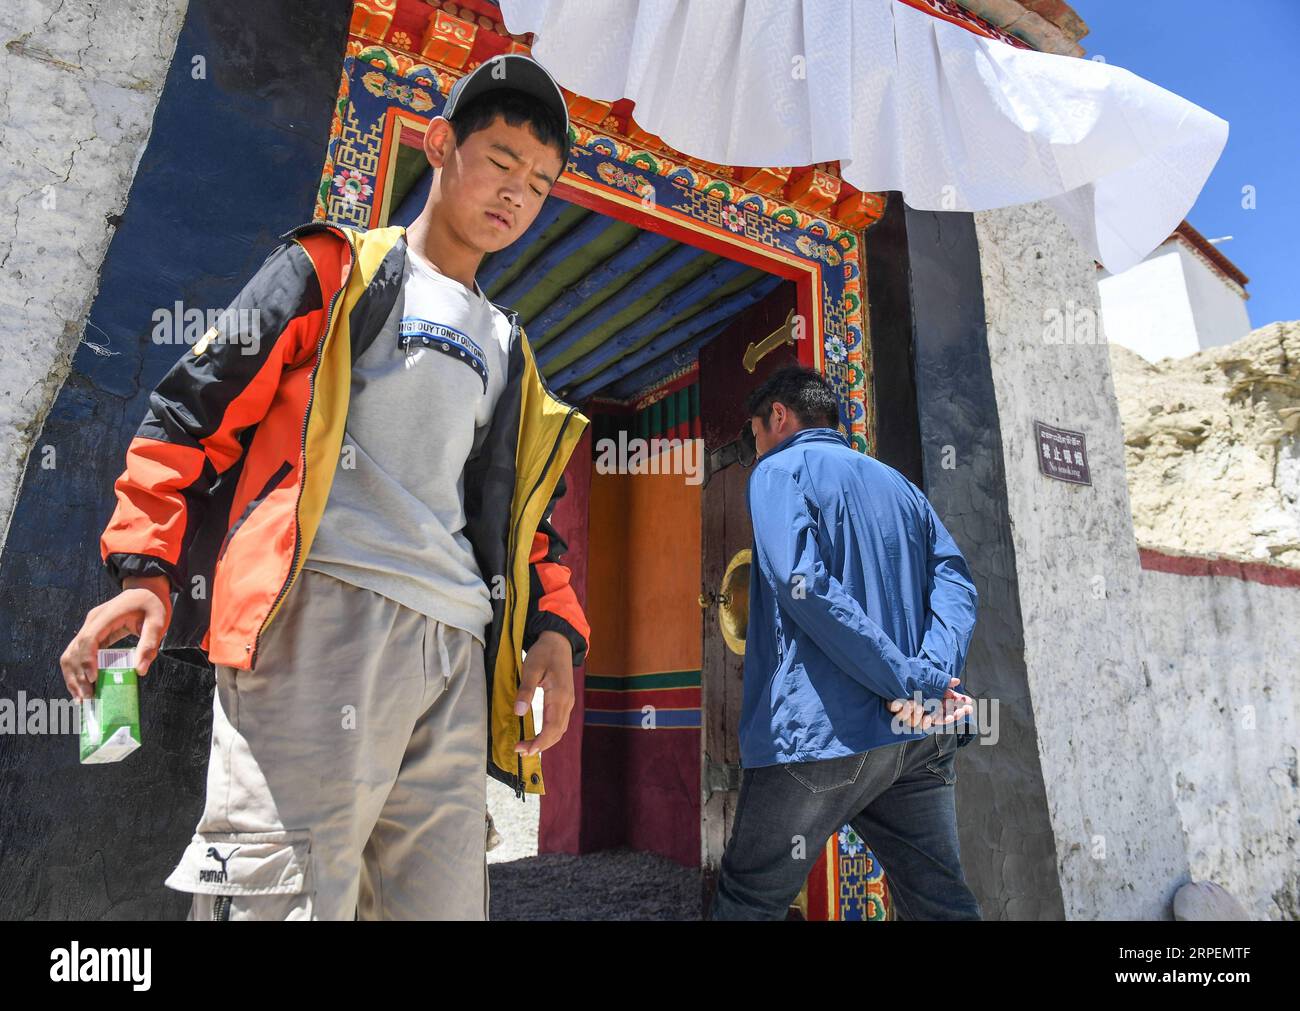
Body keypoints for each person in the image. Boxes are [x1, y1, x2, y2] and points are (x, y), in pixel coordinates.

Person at [58, 54, 590, 920]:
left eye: (539, 182)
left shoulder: (508, 347)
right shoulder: (334, 271)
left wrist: (556, 636)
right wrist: (142, 570)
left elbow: (527, 525)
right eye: (500, 161)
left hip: (454, 651)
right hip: (319, 619)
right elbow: (192, 412)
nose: (517, 195)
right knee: (281, 899)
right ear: (441, 144)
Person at [709, 365, 982, 921]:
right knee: (939, 902)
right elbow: (956, 582)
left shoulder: (777, 470)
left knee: (749, 899)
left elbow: (799, 583)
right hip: (916, 735)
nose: (753, 448)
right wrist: (928, 681)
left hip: (822, 735)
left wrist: (910, 681)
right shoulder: (898, 485)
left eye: (753, 434)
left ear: (777, 417)